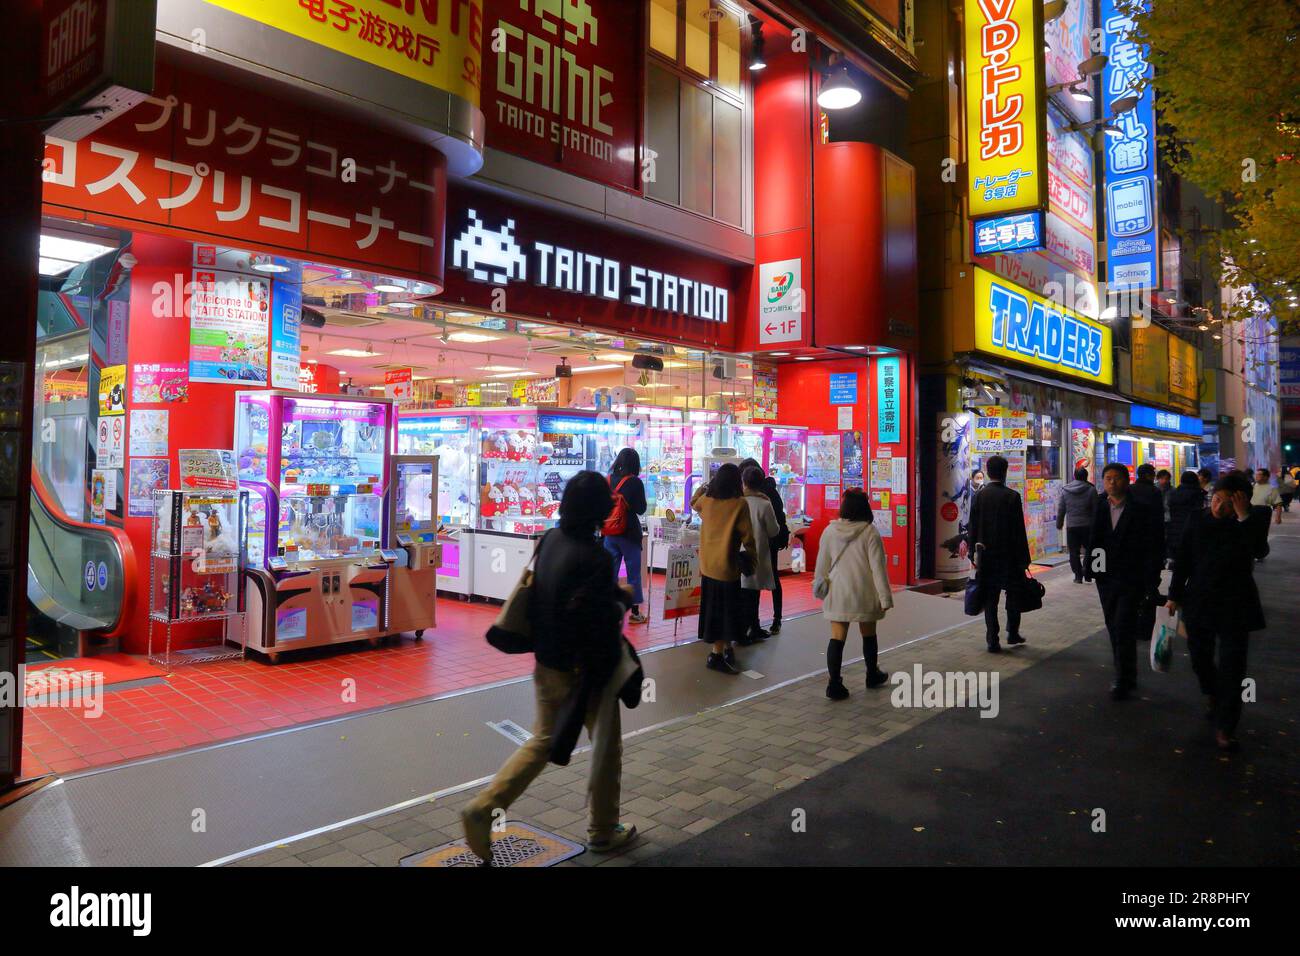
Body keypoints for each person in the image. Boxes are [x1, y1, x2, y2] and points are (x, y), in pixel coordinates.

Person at [461, 471, 636, 860]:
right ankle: (604, 830)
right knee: (606, 748)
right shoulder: (596, 557)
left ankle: (482, 808)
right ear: (600, 509)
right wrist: (620, 600)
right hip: (586, 670)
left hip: (547, 660)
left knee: (541, 740)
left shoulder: (550, 540)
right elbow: (594, 618)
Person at [1166, 472, 1268, 752]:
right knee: (1200, 659)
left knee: (1233, 668)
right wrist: (1173, 596)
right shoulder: (1197, 519)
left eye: (1226, 503)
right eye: (1216, 499)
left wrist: (1243, 515)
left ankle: (1226, 726)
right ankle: (1211, 692)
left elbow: (1260, 549)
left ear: (1240, 501)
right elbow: (1183, 559)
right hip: (1199, 601)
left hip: (1236, 605)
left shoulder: (1251, 520)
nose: (1218, 506)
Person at [1090, 463, 1164, 699]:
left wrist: (1151, 580)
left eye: (1117, 478)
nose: (1112, 483)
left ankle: (1123, 679)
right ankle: (1126, 673)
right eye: (1108, 478)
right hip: (1106, 578)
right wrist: (1093, 570)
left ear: (1127, 481)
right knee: (1114, 626)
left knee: (1123, 625)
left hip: (1132, 578)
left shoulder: (1141, 509)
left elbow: (1153, 545)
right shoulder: (1100, 505)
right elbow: (1095, 539)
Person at [814, 488, 893, 699]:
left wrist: (819, 588)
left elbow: (821, 566)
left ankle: (834, 684)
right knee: (869, 635)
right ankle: (872, 674)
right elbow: (878, 568)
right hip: (864, 593)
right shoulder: (870, 532)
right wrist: (885, 597)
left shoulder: (830, 532)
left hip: (838, 593)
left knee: (837, 638)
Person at [691, 463, 759, 674]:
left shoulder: (706, 501)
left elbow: (694, 502)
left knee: (714, 608)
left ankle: (726, 648)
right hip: (727, 567)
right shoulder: (739, 504)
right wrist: (752, 560)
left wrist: (704, 486)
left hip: (708, 565)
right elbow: (748, 537)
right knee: (726, 611)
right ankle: (716, 654)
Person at [966, 454, 1031, 653]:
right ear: (1005, 472)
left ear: (987, 471)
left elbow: (973, 527)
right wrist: (1024, 558)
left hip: (987, 556)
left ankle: (992, 640)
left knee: (990, 599)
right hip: (1009, 556)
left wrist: (971, 552)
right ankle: (1012, 632)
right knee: (1013, 595)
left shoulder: (979, 496)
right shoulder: (1012, 497)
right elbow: (1019, 530)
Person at [739, 457, 790, 634]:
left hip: (759, 545)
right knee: (768, 580)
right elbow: (776, 524)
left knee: (752, 583)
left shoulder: (749, 499)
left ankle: (754, 623)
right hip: (769, 544)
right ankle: (771, 620)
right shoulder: (768, 494)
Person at [603, 447, 649, 624]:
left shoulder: (608, 480)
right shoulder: (635, 482)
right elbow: (641, 509)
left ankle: (609, 610)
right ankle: (635, 613)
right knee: (633, 574)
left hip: (609, 533)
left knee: (610, 573)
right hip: (629, 533)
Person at [1129, 463, 1167, 640]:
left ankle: (1134, 624)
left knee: (1134, 587)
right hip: (1151, 546)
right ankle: (1146, 626)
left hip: (1132, 547)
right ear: (1149, 476)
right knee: (1150, 586)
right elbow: (1159, 523)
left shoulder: (1129, 490)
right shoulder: (1154, 493)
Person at [1056, 466, 1098, 584]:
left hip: (1072, 526)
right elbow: (1096, 509)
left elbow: (1061, 509)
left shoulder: (1066, 490)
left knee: (1074, 552)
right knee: (1090, 550)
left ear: (1075, 476)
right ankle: (1088, 573)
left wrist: (1059, 523)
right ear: (1086, 476)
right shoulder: (1091, 490)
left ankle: (1078, 576)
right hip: (1088, 526)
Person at [1166, 470, 1207, 562]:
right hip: (1192, 530)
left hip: (1175, 530)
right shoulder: (1198, 494)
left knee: (1178, 562)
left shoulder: (1174, 493)